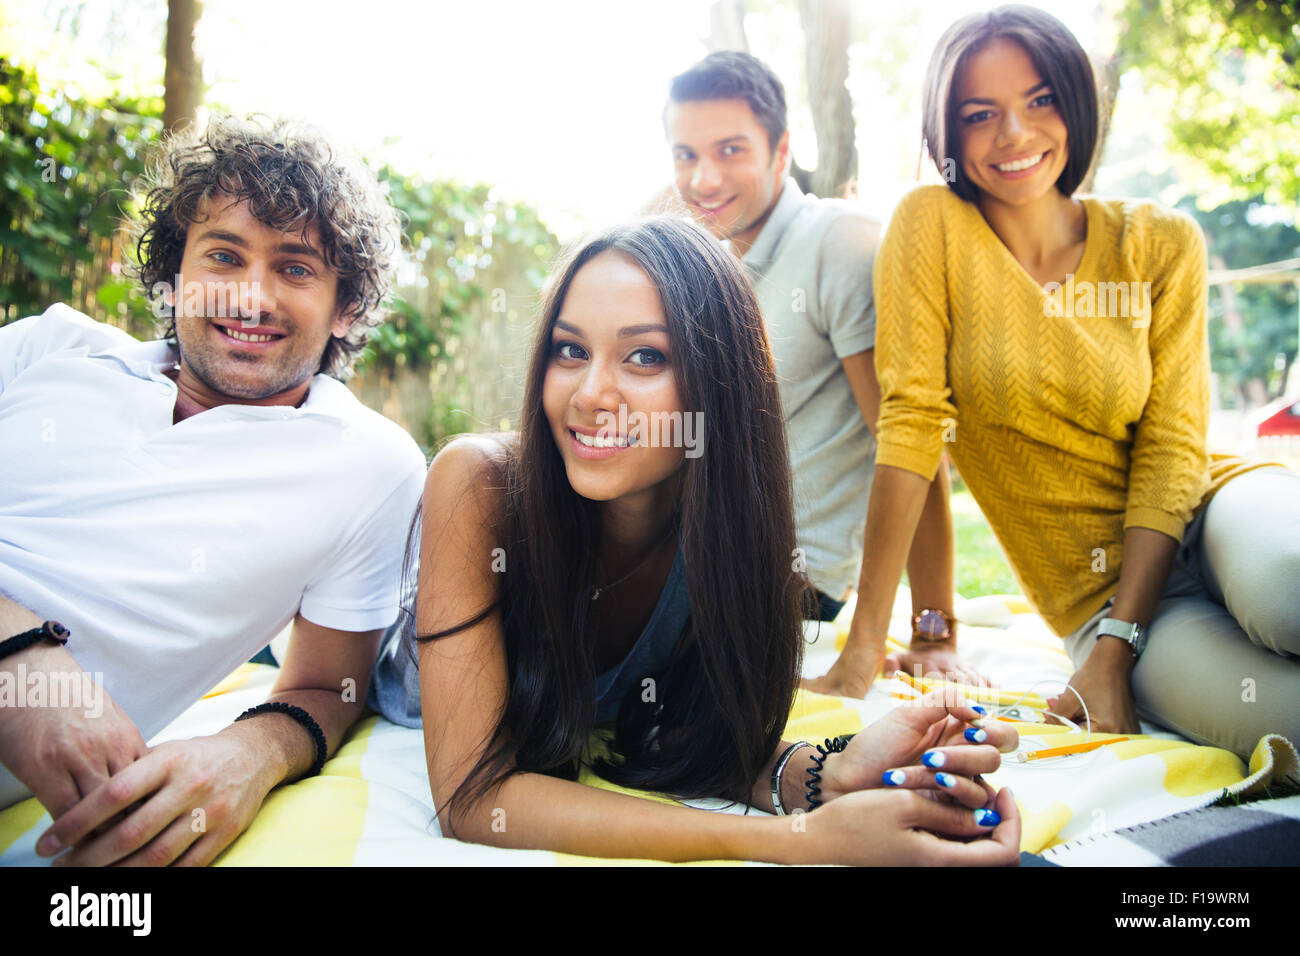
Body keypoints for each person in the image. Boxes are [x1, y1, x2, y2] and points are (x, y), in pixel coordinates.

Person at [368, 216, 1022, 864]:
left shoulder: (724, 527)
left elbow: (677, 740)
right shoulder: (477, 485)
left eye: (645, 356)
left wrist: (833, 771)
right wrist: (798, 843)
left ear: (719, 382)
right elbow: (473, 799)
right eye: (570, 350)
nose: (591, 393)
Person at [820, 4, 1300, 759]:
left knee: (1291, 591)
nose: (1014, 134)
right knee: (1288, 720)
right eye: (981, 114)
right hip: (1094, 600)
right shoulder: (930, 227)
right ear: (950, 132)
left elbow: (1175, 447)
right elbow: (912, 426)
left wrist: (1117, 650)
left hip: (1212, 511)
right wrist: (863, 651)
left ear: (1074, 103)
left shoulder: (1159, 241)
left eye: (1039, 100)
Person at [0, 114, 426, 864]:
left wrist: (246, 754)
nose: (249, 297)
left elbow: (330, 688)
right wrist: (21, 654)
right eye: (224, 256)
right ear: (175, 275)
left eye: (296, 268)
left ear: (346, 306)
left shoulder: (370, 467)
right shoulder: (47, 347)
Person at [663, 52, 980, 691]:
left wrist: (932, 631)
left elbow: (911, 443)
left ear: (781, 152)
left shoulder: (839, 243)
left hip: (783, 580)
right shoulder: (707, 267)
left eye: (730, 150)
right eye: (685, 154)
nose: (703, 178)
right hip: (691, 552)